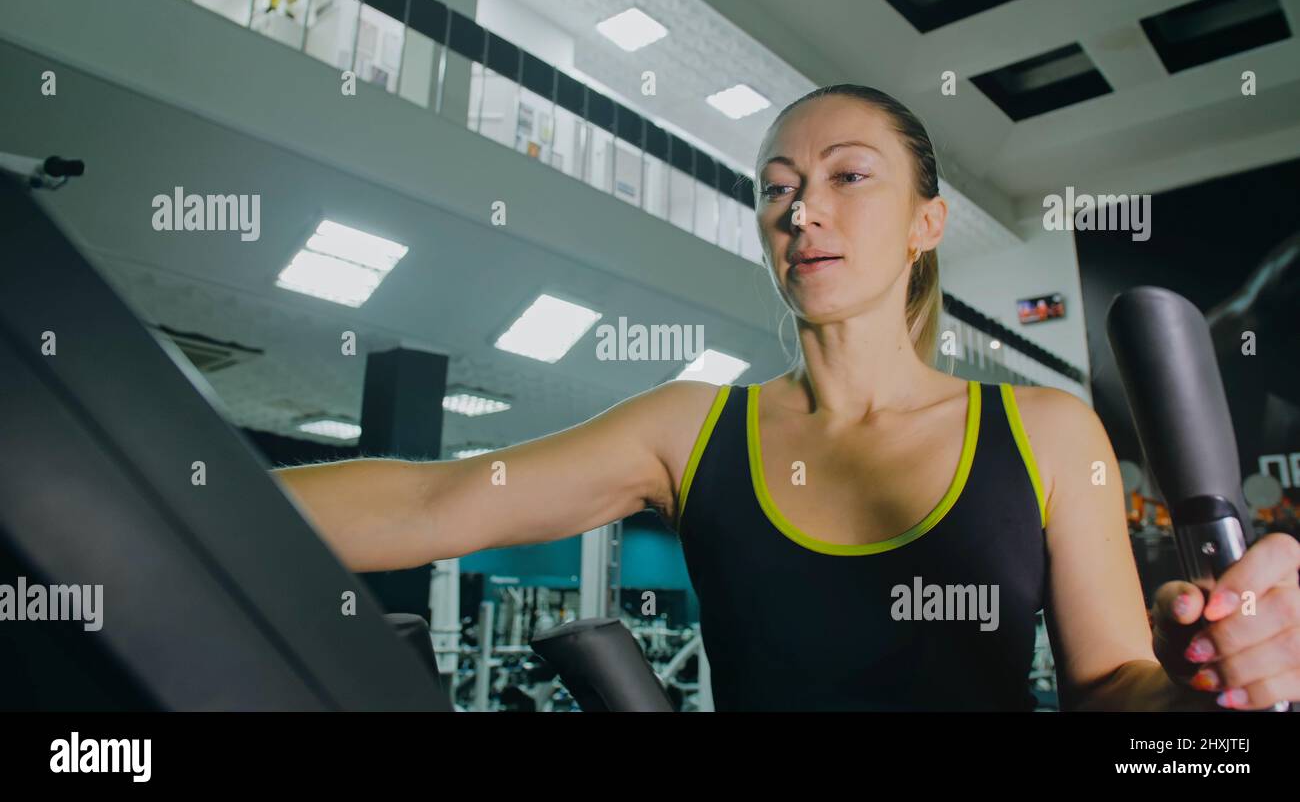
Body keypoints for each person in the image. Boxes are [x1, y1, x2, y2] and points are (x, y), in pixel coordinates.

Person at [274, 84, 1300, 711]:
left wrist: (1212, 677)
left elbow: (1114, 688)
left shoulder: (1043, 430)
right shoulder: (690, 427)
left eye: (848, 175)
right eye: (775, 187)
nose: (801, 206)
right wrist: (150, 486)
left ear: (926, 222)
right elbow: (425, 504)